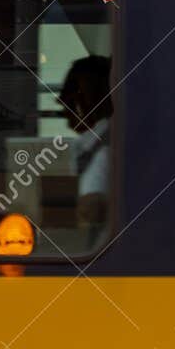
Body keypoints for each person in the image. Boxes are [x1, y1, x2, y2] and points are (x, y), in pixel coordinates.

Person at [59, 55, 113, 233]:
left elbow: (90, 208)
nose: (62, 104)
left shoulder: (104, 151)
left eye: (67, 95)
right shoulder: (95, 145)